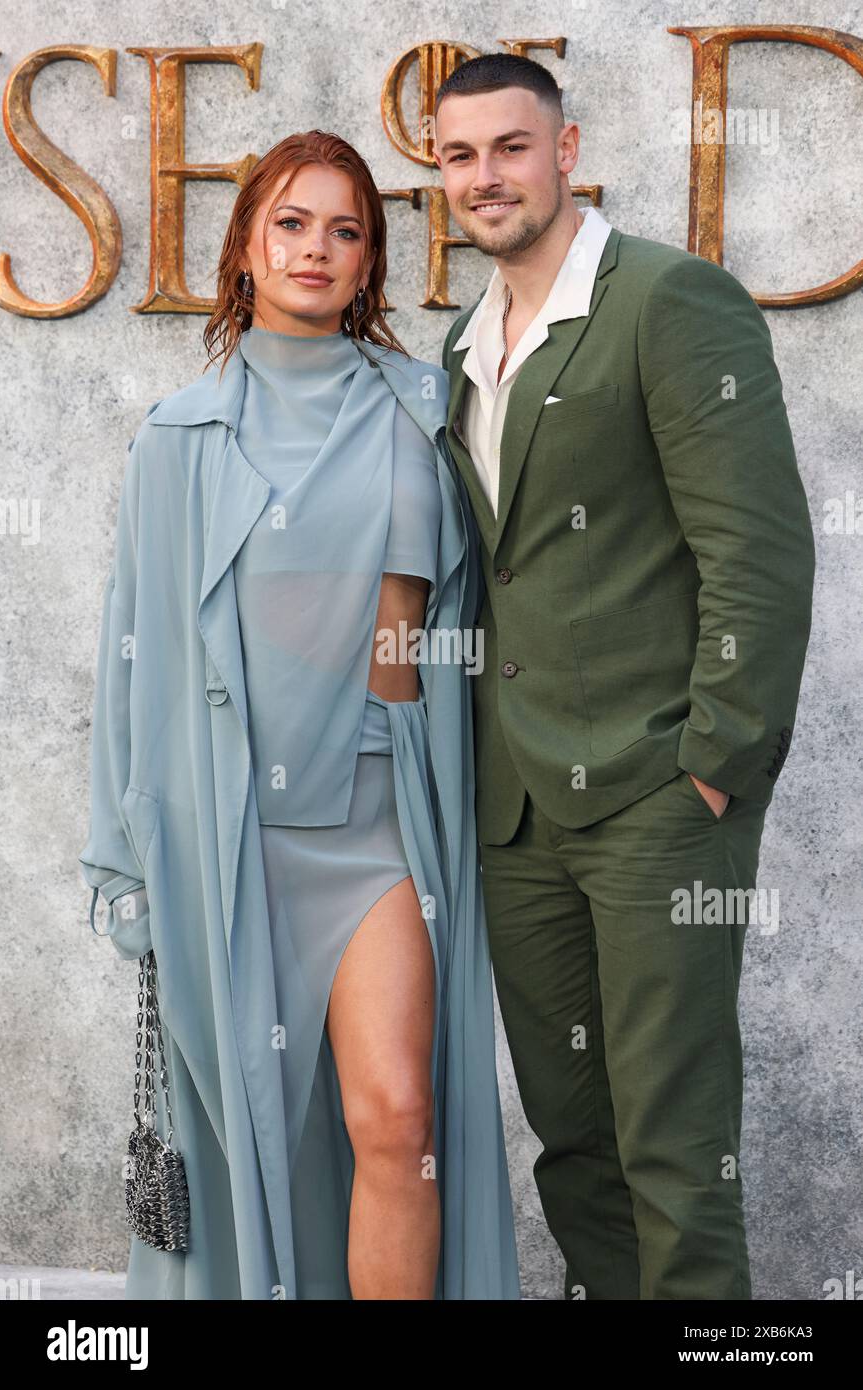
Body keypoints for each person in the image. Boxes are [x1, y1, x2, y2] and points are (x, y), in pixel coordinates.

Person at [78, 129, 521, 1301]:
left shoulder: (427, 409)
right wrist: (123, 860)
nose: (315, 249)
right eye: (290, 222)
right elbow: (133, 659)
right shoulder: (177, 438)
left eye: (345, 229)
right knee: (251, 1145)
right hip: (231, 838)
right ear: (243, 245)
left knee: (399, 1115)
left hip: (380, 826)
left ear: (372, 259)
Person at [433, 54, 816, 1300]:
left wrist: (714, 766)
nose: (483, 176)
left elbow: (754, 551)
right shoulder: (464, 339)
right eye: (456, 156)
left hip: (658, 796)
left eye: (507, 146)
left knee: (672, 1144)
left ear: (564, 148)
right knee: (574, 1145)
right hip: (518, 811)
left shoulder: (666, 298)